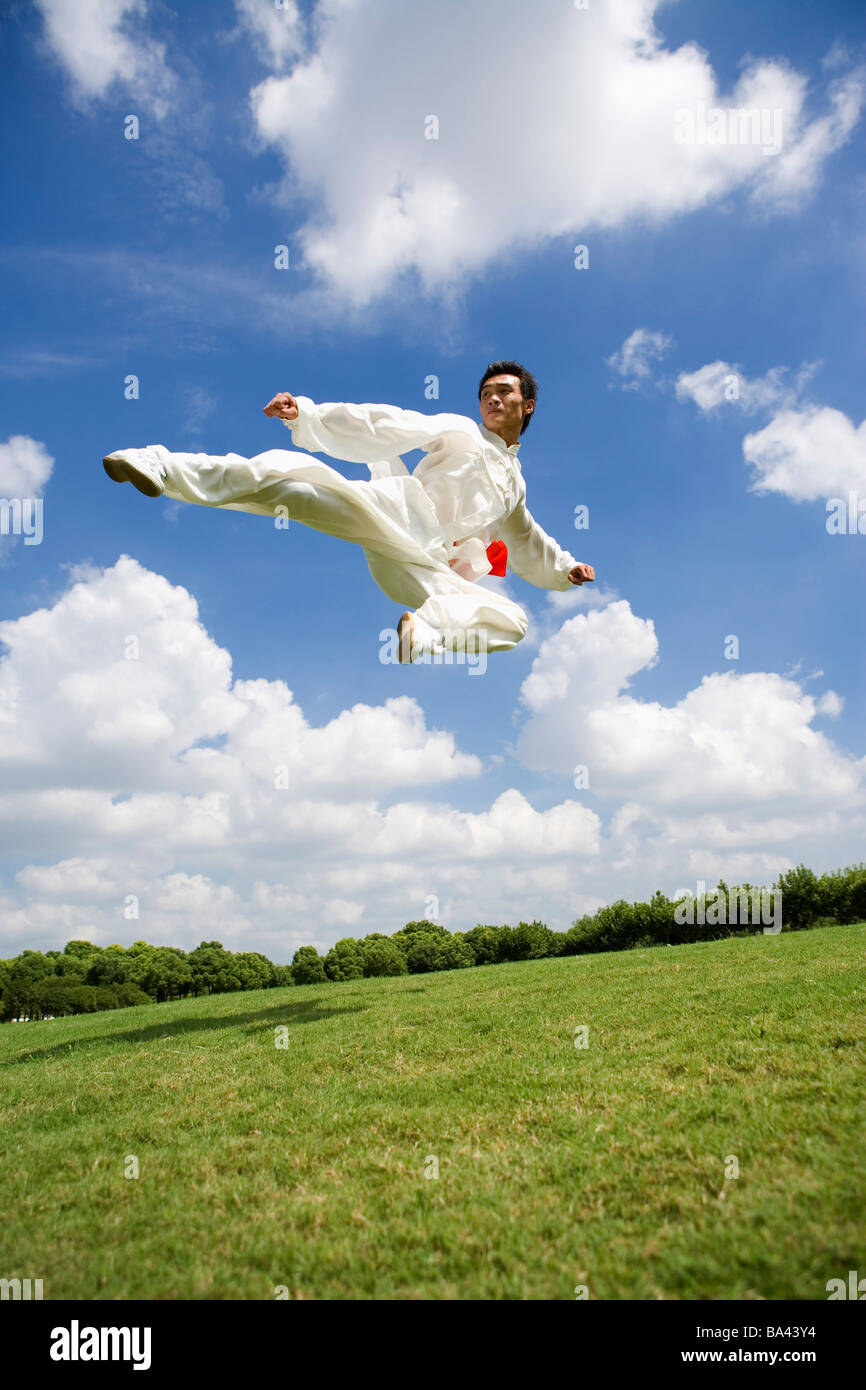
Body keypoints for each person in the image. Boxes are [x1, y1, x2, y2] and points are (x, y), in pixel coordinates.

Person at [103, 360, 594, 662]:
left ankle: (426, 630)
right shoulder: (461, 430)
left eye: (504, 392)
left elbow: (528, 539)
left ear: (527, 406)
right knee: (297, 486)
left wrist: (565, 567)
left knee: (514, 623)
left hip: (427, 567)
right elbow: (385, 425)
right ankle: (162, 466)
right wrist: (310, 415)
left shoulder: (516, 486)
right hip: (399, 514)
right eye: (487, 392)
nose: (492, 397)